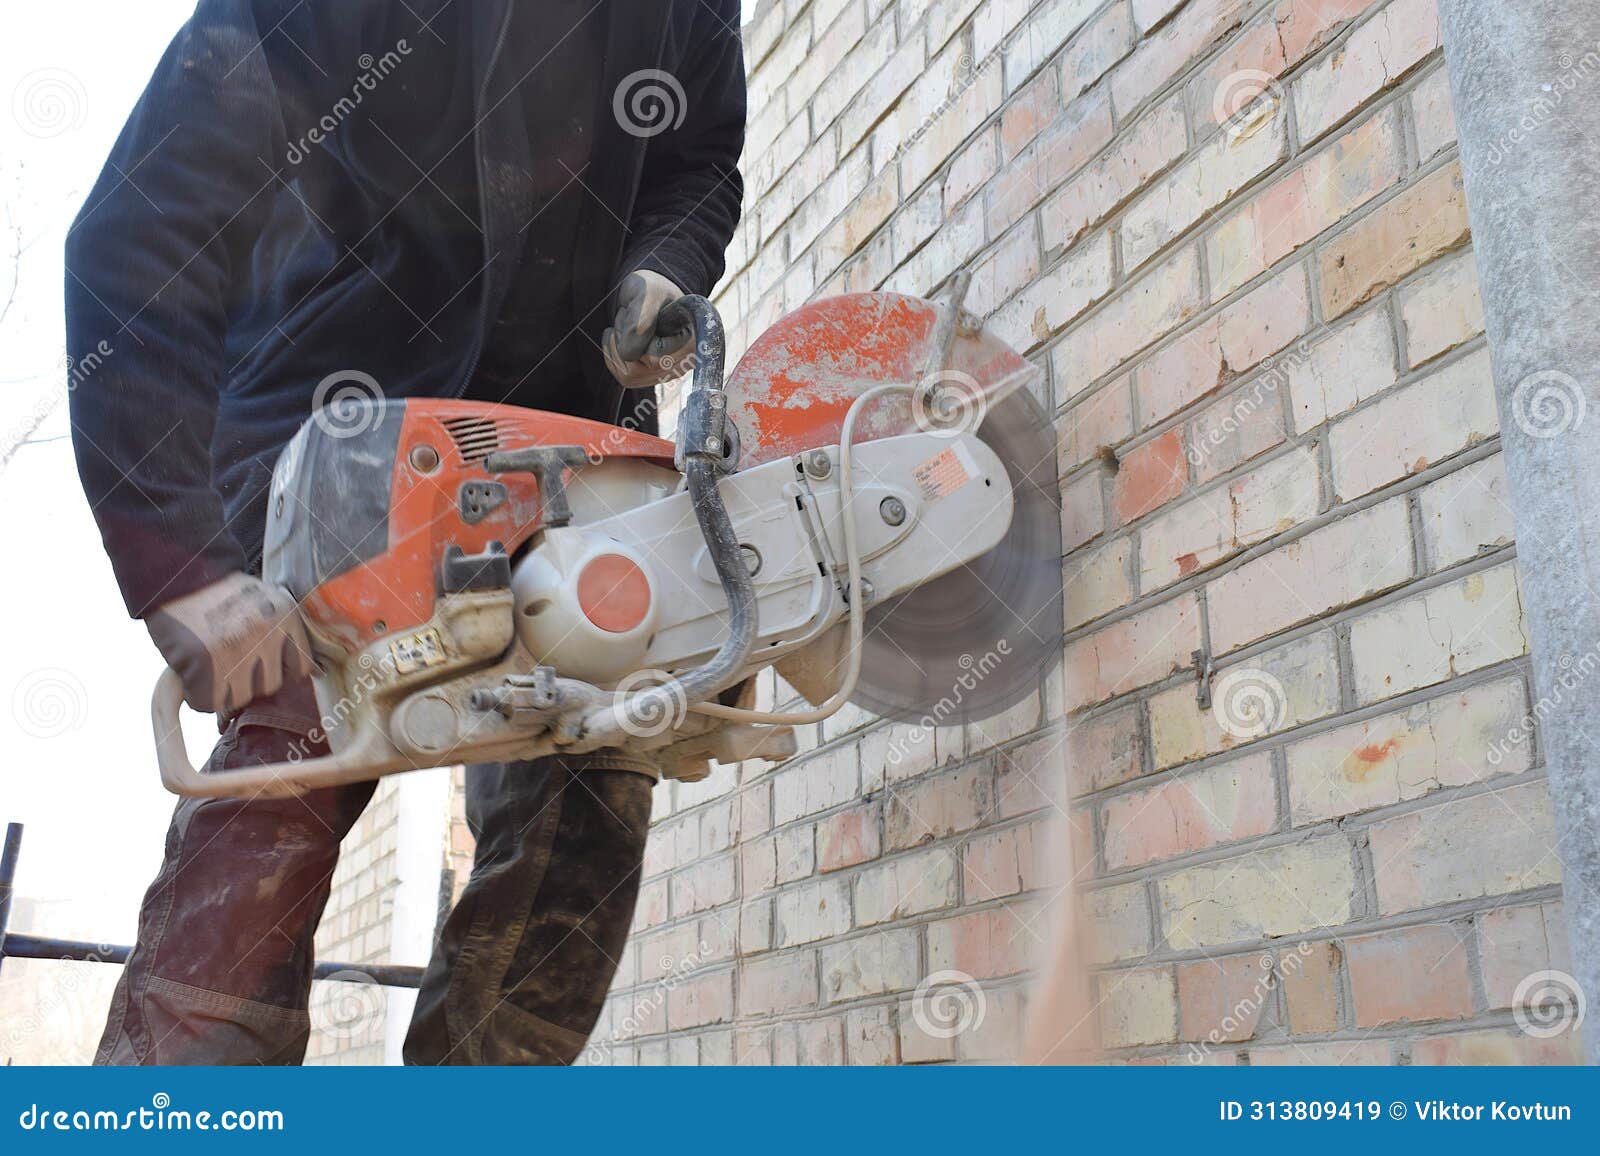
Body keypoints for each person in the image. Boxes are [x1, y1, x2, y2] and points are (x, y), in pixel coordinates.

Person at [63, 0, 744, 1065]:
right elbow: (137, 239)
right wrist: (180, 564)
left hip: (566, 456)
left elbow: (700, 155)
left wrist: (665, 259)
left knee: (590, 800)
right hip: (340, 436)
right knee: (285, 772)